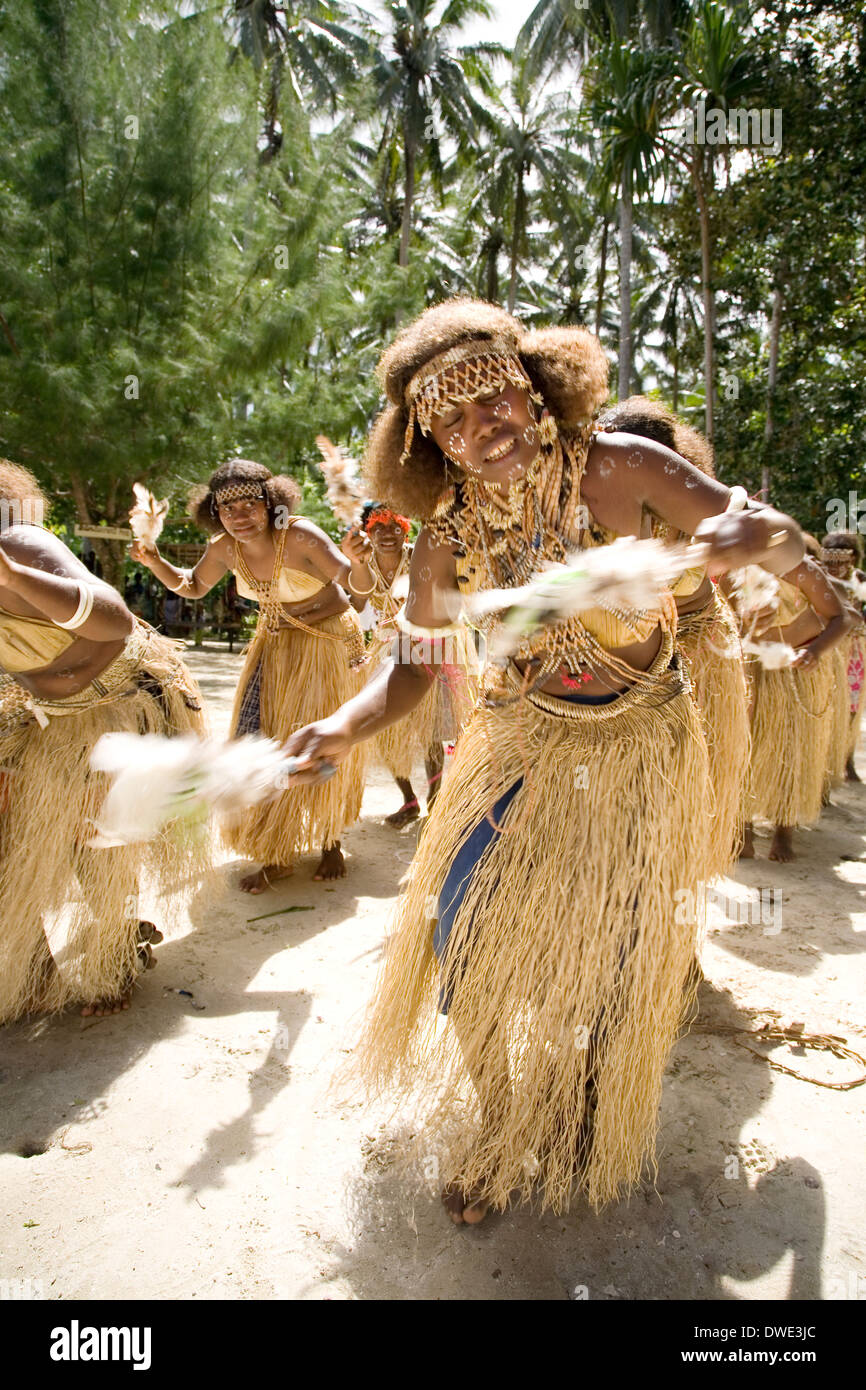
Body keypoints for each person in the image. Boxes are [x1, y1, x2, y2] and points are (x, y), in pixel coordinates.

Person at [284, 299, 803, 1223]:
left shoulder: (621, 466)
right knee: (459, 932)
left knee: (619, 953)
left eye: (495, 397)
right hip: (516, 742)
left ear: (534, 389)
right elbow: (415, 666)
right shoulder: (444, 537)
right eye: (451, 418)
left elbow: (781, 539)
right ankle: (499, 1124)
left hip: (641, 745)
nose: (482, 426)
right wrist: (342, 727)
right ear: (427, 442)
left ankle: (588, 1101)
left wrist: (746, 535)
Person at [0, 460, 207, 1023]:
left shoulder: (18, 544)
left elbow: (113, 620)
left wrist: (12, 578)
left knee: (95, 838)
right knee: (21, 839)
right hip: (47, 717)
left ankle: (116, 952)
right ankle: (36, 971)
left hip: (114, 706)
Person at [131, 459, 367, 890]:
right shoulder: (224, 547)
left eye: (249, 504)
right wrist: (155, 561)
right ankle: (276, 848)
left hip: (327, 645)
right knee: (262, 738)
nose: (239, 516)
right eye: (227, 508)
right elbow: (193, 586)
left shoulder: (299, 535)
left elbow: (356, 585)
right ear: (215, 512)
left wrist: (359, 561)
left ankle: (331, 838)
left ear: (270, 502)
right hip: (274, 648)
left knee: (320, 736)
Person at [595, 398, 750, 877]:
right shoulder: (596, 506)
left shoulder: (691, 511)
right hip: (629, 665)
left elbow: (745, 526)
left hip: (697, 659)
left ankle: (665, 887)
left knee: (675, 795)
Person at [341, 500, 477, 826]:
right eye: (378, 527)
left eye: (394, 526)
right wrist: (358, 565)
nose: (387, 534)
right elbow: (357, 602)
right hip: (387, 648)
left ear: (406, 530)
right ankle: (409, 800)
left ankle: (436, 800)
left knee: (432, 731)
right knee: (387, 732)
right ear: (368, 532)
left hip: (430, 644)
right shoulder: (363, 563)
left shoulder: (421, 554)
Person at [736, 553, 852, 861]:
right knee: (747, 746)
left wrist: (815, 651)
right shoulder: (739, 566)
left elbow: (841, 618)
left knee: (792, 749)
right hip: (754, 667)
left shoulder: (804, 570)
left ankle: (783, 830)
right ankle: (743, 830)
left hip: (796, 670)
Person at [821, 531, 866, 782]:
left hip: (853, 652)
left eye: (841, 562)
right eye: (830, 561)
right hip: (824, 648)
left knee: (851, 706)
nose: (835, 568)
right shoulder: (817, 578)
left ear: (852, 559)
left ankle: (846, 759)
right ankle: (824, 764)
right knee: (826, 704)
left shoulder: (860, 581)